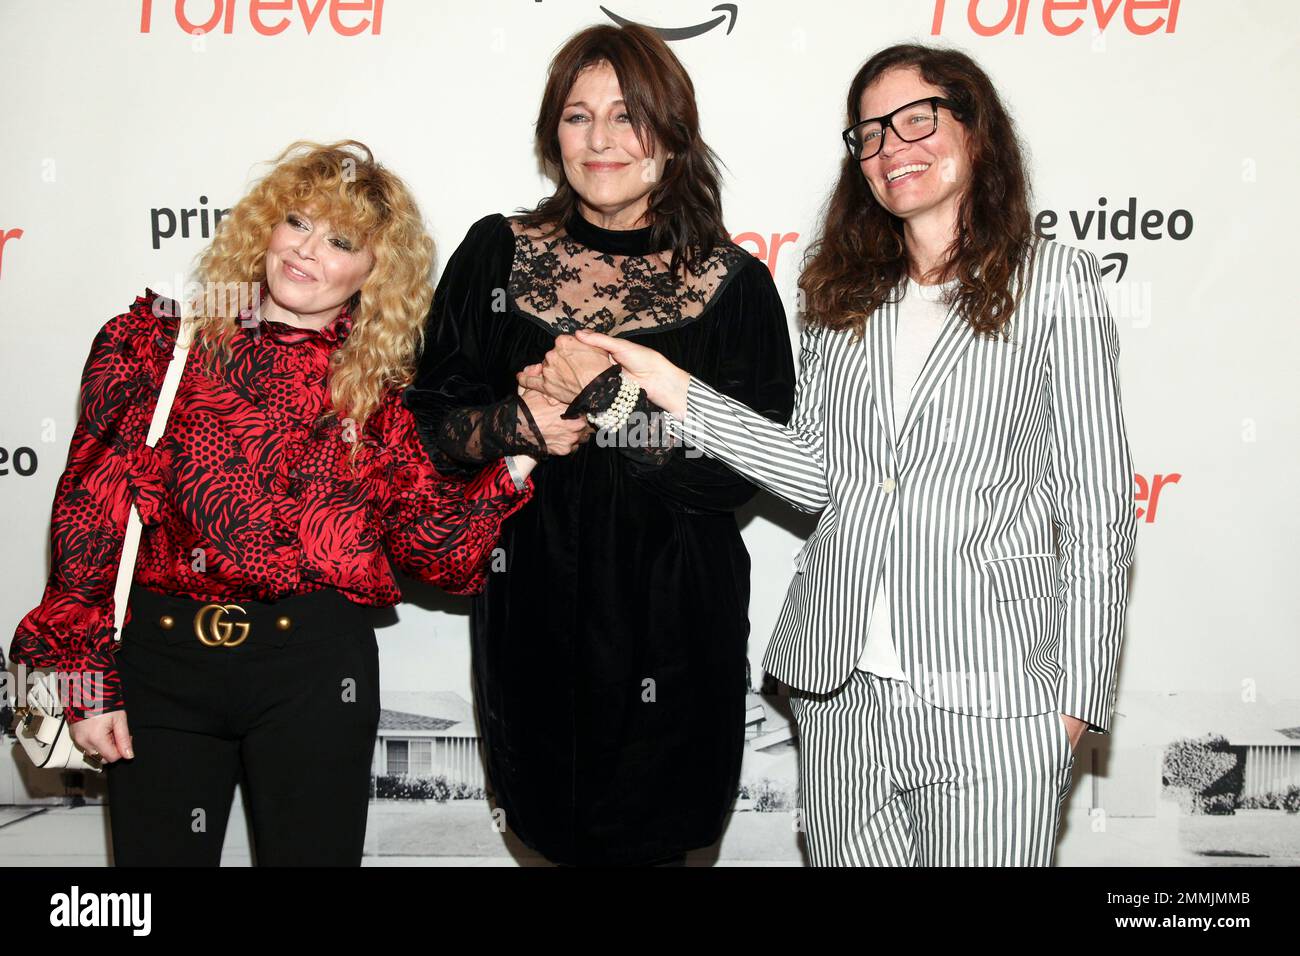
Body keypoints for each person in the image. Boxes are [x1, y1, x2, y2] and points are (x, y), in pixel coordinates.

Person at [561, 44, 1137, 866]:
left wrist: (1075, 702)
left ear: (975, 130)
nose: (891, 146)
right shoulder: (839, 292)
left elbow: (1098, 507)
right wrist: (675, 388)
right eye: (868, 134)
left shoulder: (1056, 284)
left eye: (916, 119)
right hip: (842, 698)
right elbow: (815, 475)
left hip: (996, 700)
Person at [9, 140, 536, 866]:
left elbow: (430, 553)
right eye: (298, 222)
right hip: (161, 666)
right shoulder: (154, 347)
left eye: (342, 240)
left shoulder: (384, 396)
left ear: (375, 272)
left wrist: (509, 467)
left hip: (315, 672)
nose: (308, 250)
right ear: (265, 227)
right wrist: (87, 679)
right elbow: (88, 519)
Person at [403, 24, 796, 866]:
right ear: (555, 137)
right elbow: (428, 425)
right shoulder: (496, 255)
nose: (602, 141)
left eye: (627, 116)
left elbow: (739, 473)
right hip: (530, 604)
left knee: (666, 837)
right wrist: (515, 422)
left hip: (677, 620)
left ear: (673, 133)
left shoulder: (736, 284)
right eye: (578, 118)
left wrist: (604, 399)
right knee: (547, 831)